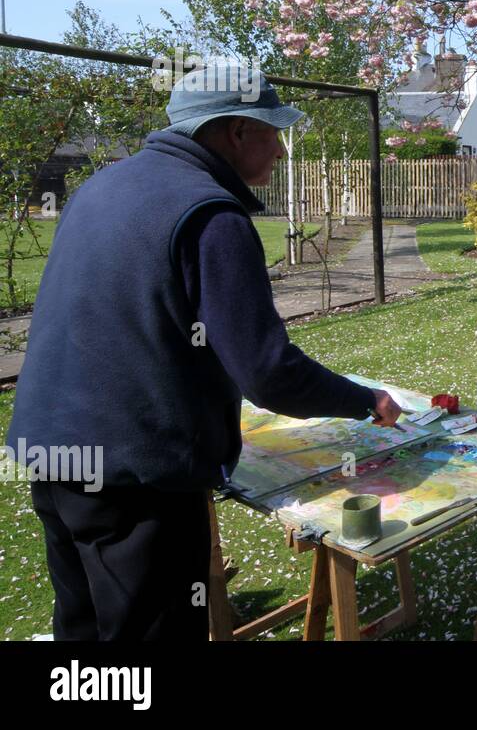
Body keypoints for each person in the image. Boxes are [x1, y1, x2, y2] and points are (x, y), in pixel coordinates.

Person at [5, 60, 402, 640]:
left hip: (56, 457)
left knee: (84, 630)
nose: (281, 152)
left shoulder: (103, 184)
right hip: (135, 482)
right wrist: (366, 399)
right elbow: (268, 374)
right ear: (237, 132)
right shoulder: (211, 213)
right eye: (274, 133)